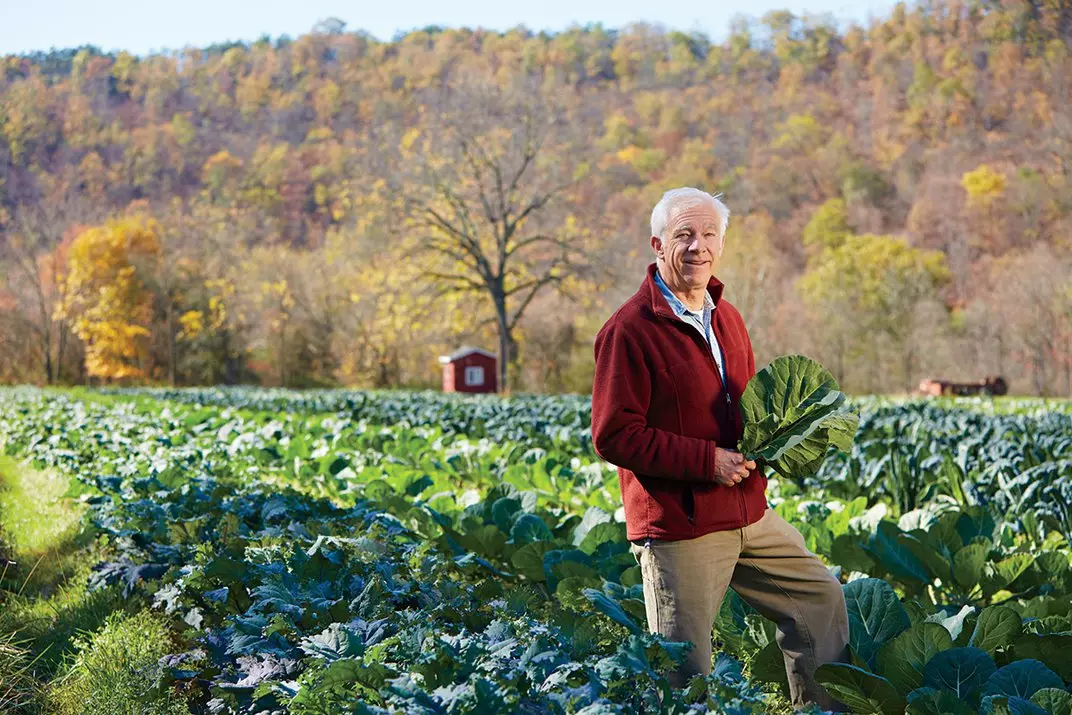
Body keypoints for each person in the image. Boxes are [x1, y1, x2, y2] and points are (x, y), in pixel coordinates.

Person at [590, 187, 849, 710]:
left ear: (722, 243)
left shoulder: (726, 317)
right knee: (685, 671)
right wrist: (706, 461)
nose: (697, 246)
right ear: (658, 244)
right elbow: (613, 434)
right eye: (683, 235)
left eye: (709, 234)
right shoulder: (630, 330)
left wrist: (775, 446)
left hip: (747, 511)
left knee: (820, 599)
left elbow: (745, 409)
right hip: (681, 523)